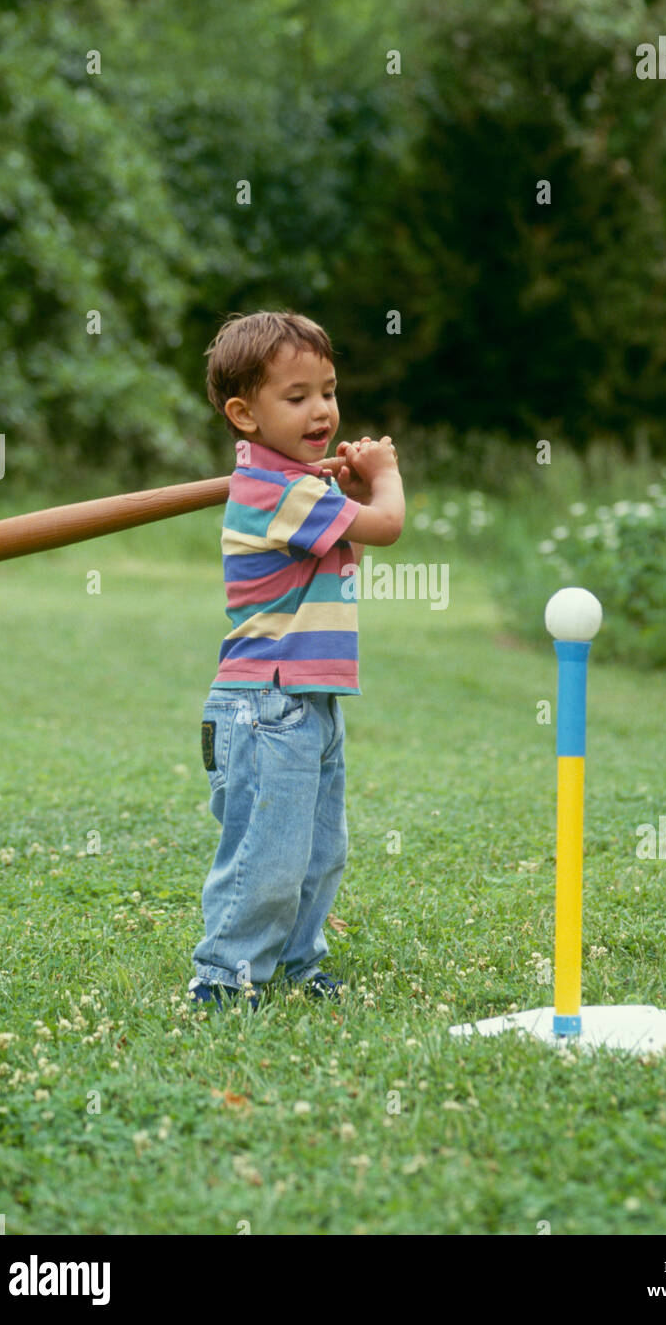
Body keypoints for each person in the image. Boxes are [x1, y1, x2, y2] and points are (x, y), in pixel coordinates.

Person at [189, 310, 404, 1011]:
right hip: (263, 705)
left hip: (308, 699)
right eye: (297, 397)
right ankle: (224, 975)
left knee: (317, 852)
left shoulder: (301, 488)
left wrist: (344, 489)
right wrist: (384, 475)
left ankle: (294, 961)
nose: (322, 410)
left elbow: (350, 549)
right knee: (267, 856)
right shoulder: (274, 491)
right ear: (243, 414)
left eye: (328, 391)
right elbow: (388, 527)